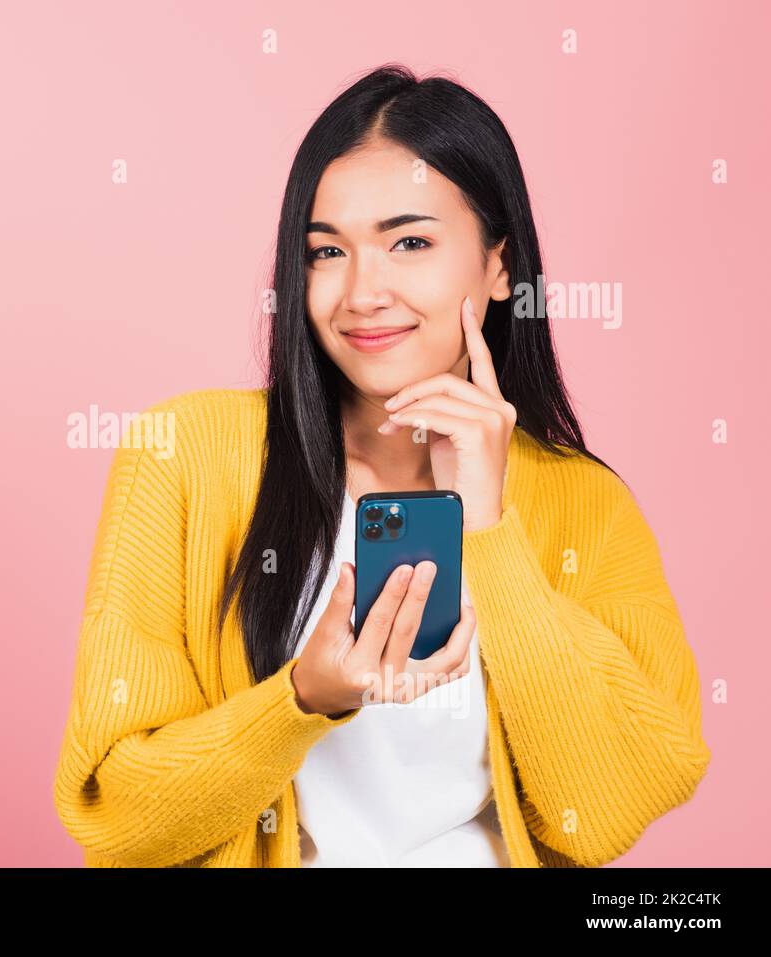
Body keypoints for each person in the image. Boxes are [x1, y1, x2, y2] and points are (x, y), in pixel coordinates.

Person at [51, 64, 710, 868]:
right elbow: (118, 816)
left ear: (500, 264)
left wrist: (491, 531)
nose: (362, 292)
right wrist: (300, 701)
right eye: (328, 251)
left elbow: (612, 807)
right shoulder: (184, 454)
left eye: (410, 242)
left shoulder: (585, 503)